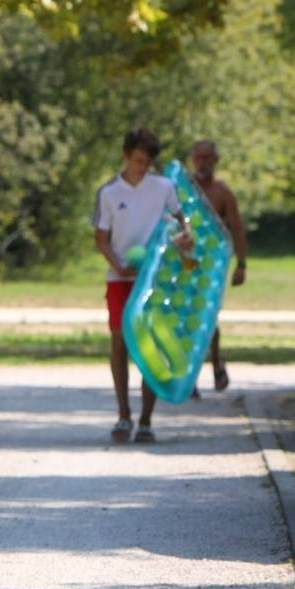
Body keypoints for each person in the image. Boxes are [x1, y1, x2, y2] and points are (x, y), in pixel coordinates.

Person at [94, 127, 186, 443]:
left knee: (149, 347)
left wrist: (181, 240)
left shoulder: (164, 187)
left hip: (153, 280)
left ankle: (146, 420)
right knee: (120, 340)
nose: (142, 167)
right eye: (137, 160)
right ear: (126, 155)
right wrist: (116, 263)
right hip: (120, 279)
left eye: (147, 162)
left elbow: (181, 223)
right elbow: (101, 239)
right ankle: (123, 415)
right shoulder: (109, 193)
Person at [188, 139, 248, 393]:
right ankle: (189, 372)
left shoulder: (223, 193)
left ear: (216, 160)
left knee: (208, 316)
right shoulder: (182, 190)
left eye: (207, 158)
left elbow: (237, 228)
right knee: (188, 317)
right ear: (193, 159)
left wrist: (241, 264)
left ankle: (215, 362)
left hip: (212, 264)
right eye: (199, 157)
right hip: (184, 262)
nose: (203, 162)